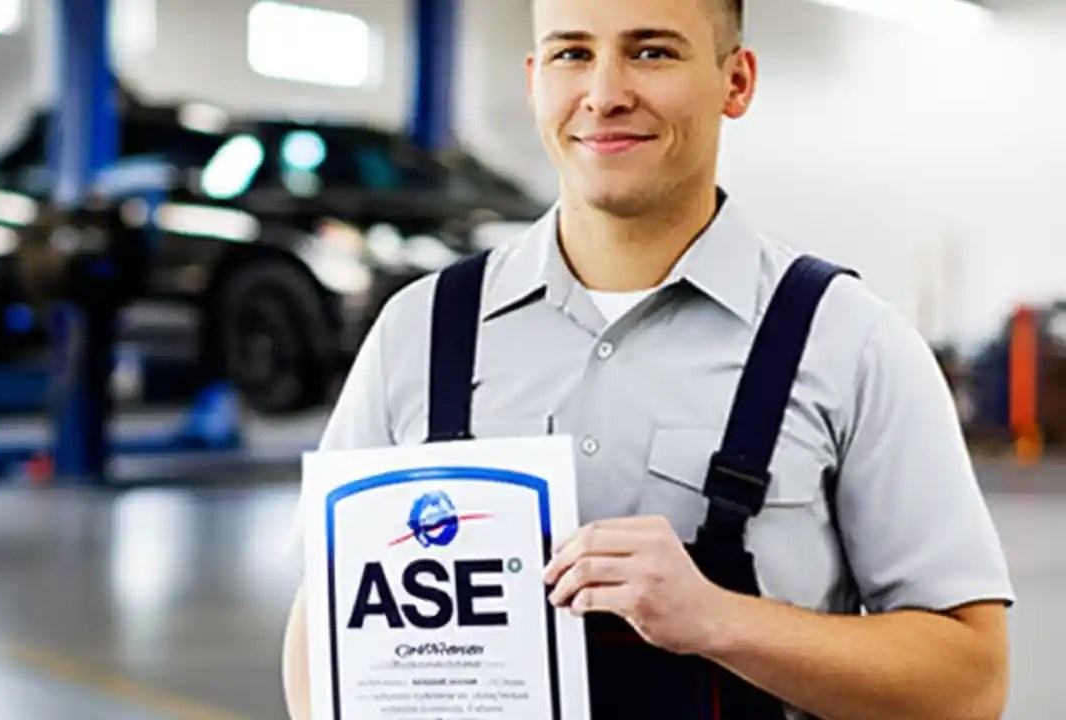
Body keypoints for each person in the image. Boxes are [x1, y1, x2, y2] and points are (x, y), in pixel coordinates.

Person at [281, 0, 1014, 717]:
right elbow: (323, 635)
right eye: (573, 53)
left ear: (737, 81)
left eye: (652, 51)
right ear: (536, 77)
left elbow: (968, 684)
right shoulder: (420, 331)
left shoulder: (853, 344)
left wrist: (720, 621)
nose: (604, 95)